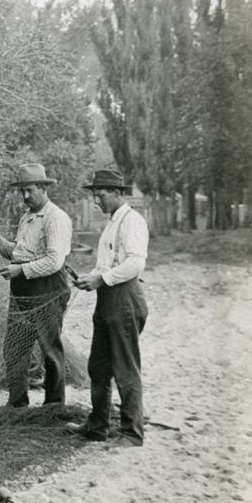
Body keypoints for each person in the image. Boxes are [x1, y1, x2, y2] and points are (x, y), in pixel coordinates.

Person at [67, 167, 149, 446]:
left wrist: (101, 278)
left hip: (125, 300)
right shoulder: (113, 221)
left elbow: (136, 262)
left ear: (116, 193)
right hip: (107, 300)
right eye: (95, 196)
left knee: (126, 368)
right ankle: (98, 425)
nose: (97, 201)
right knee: (98, 367)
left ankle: (131, 433)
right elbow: (109, 262)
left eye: (101, 195)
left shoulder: (132, 221)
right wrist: (91, 277)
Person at [0, 163, 73, 408]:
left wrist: (20, 270)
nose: (25, 196)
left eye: (30, 190)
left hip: (48, 291)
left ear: (44, 188)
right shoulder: (27, 217)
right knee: (14, 348)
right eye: (22, 191)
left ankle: (53, 406)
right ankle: (17, 403)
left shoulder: (56, 218)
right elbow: (20, 252)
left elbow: (54, 261)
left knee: (50, 350)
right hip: (22, 292)